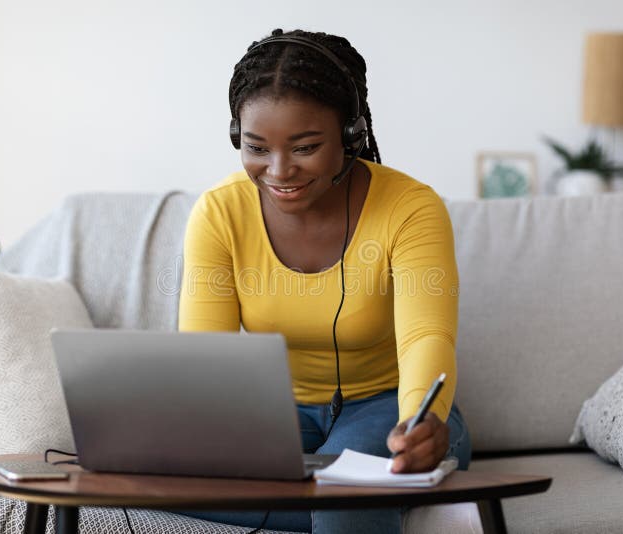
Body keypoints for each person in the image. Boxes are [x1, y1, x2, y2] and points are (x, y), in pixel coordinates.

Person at [178, 28, 471, 534]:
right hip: (273, 413)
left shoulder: (410, 208)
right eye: (256, 148)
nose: (279, 171)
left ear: (352, 135)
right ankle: (344, 500)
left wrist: (421, 421)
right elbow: (208, 360)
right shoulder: (220, 211)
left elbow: (427, 335)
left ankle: (344, 497)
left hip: (388, 407)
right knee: (147, 479)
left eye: (306, 147)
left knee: (345, 495)